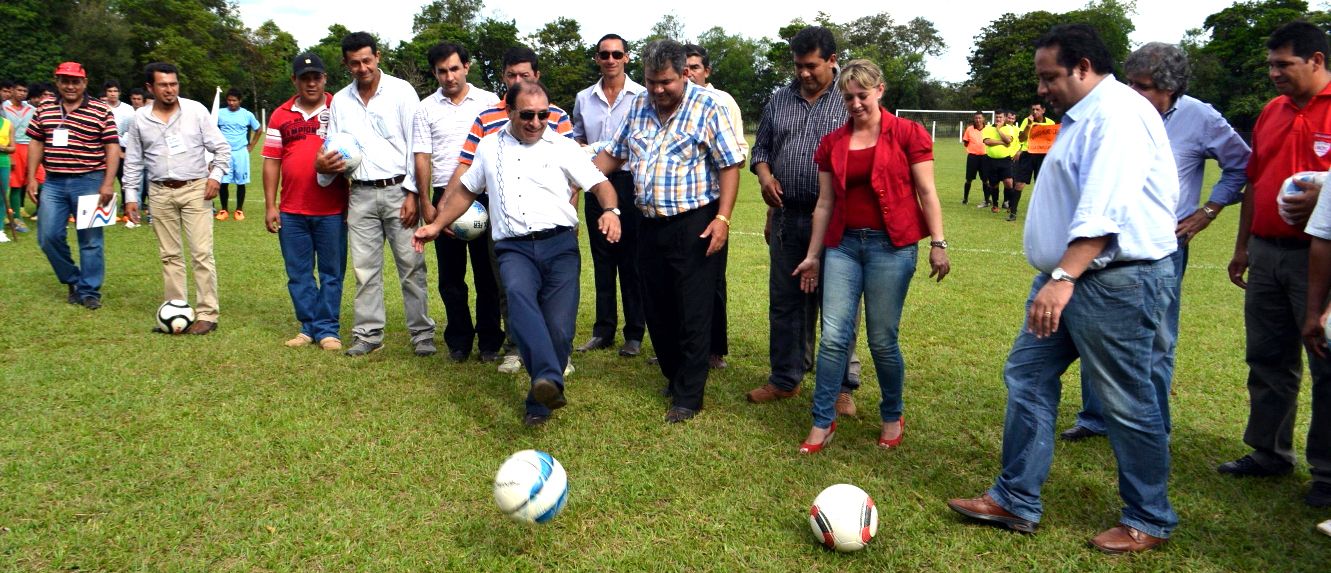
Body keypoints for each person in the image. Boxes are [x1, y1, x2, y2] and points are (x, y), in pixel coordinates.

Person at [947, 24, 1181, 554]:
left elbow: (1105, 211)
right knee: (1027, 376)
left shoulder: (1117, 115)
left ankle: (1149, 517)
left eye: (1049, 76)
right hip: (1072, 278)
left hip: (1110, 282)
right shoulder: (1083, 115)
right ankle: (1015, 497)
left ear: (1083, 67)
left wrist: (1063, 277)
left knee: (1126, 400)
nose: (1041, 88)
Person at [1062, 42, 1251, 442]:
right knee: (1096, 330)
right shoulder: (1112, 109)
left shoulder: (1200, 117)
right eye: (1130, 82)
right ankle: (1096, 418)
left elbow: (1242, 164)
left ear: (1172, 88)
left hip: (1162, 246)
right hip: (1102, 240)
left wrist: (1208, 210)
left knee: (1157, 339)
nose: (1133, 92)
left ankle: (1154, 426)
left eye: (1144, 86)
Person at [415, 81, 621, 427]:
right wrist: (436, 225)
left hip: (560, 247)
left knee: (560, 329)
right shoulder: (489, 146)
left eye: (543, 115)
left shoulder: (564, 146)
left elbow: (601, 185)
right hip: (514, 247)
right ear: (509, 111)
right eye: (527, 115)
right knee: (520, 302)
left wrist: (611, 211)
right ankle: (542, 397)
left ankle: (543, 389)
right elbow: (467, 191)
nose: (536, 123)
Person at [792, 59, 949, 454]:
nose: (856, 103)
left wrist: (938, 243)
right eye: (848, 98)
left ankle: (892, 414)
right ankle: (822, 420)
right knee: (833, 338)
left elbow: (927, 192)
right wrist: (813, 255)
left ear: (880, 90)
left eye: (862, 95)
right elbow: (824, 204)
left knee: (882, 340)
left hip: (891, 248)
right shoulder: (833, 143)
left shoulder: (908, 133)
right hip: (843, 247)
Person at [593, 39, 744, 423]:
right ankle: (675, 376)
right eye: (651, 81)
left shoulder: (708, 107)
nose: (658, 90)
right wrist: (577, 177)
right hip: (647, 222)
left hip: (695, 222)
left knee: (693, 310)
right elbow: (612, 154)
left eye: (666, 82)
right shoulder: (638, 106)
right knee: (657, 308)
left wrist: (723, 219)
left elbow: (729, 165)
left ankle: (689, 396)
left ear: (685, 74)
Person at [1222, 21, 1331, 509]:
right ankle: (1269, 452)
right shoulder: (1272, 110)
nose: (1273, 73)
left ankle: (1327, 473)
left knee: (1326, 362)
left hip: (1322, 256)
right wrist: (1242, 246)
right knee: (1267, 356)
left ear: (1316, 60)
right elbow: (1256, 181)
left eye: (1283, 64)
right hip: (1267, 251)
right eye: (1270, 64)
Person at [748, 26, 862, 413]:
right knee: (785, 302)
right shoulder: (779, 99)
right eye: (798, 65)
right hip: (788, 217)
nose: (804, 73)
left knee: (839, 305)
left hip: (838, 220)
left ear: (832, 60)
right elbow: (761, 149)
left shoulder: (850, 99)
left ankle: (842, 386)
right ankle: (785, 378)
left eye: (811, 65)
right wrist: (765, 178)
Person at [446, 46, 575, 374]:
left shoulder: (556, 116)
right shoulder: (486, 117)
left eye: (524, 74)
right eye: (511, 75)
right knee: (510, 287)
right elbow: (466, 166)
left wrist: (569, 217)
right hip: (504, 217)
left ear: (537, 76)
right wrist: (444, 210)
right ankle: (516, 347)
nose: (517, 80)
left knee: (552, 290)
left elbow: (573, 174)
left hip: (551, 218)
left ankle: (557, 353)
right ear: (502, 77)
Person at [316, 31, 435, 357]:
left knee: (412, 267)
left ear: (378, 56)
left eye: (367, 60)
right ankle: (368, 335)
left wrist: (412, 193)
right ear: (346, 64)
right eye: (355, 63)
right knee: (365, 271)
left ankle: (422, 334)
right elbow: (333, 147)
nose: (362, 68)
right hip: (361, 194)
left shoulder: (401, 91)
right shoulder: (341, 101)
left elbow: (416, 145)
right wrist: (323, 164)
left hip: (399, 191)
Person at [122, 62, 230, 334]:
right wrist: (131, 195)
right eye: (163, 85)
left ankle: (207, 314)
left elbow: (221, 148)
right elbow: (133, 160)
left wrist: (215, 177)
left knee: (201, 253)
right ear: (150, 87)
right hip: (159, 192)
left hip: (196, 189)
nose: (169, 89)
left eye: (173, 84)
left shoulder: (195, 110)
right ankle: (175, 310)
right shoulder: (140, 119)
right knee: (169, 255)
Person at [416, 42, 503, 363]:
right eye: (442, 71)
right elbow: (422, 156)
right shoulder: (425, 108)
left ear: (466, 66)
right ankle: (459, 340)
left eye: (454, 68)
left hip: (483, 195)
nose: (449, 76)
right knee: (451, 278)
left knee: (487, 274)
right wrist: (426, 202)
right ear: (434, 73)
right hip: (443, 198)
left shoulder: (489, 101)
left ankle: (490, 341)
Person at [262, 53, 350, 351]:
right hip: (292, 210)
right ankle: (308, 327)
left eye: (316, 77)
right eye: (305, 78)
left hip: (332, 209)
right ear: (295, 80)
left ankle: (327, 329)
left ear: (325, 78)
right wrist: (270, 205)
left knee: (331, 273)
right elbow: (272, 161)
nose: (311, 83)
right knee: (298, 273)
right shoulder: (280, 114)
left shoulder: (339, 108)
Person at [571, 33, 647, 358]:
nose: (611, 59)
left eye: (617, 54)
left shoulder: (641, 96)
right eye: (605, 54)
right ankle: (603, 331)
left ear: (627, 57)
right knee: (602, 260)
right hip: (595, 181)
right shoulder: (583, 98)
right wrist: (584, 152)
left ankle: (635, 333)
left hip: (630, 183)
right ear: (597, 58)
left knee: (631, 260)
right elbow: (575, 137)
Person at [24, 62, 121, 309]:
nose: (70, 86)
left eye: (75, 81)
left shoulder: (100, 110)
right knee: (48, 237)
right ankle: (73, 279)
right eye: (65, 81)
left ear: (84, 83)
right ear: (57, 82)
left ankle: (89, 291)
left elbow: (112, 146)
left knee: (90, 240)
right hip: (53, 182)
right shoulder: (44, 108)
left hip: (89, 180)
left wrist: (108, 183)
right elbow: (36, 142)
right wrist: (32, 177)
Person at [684, 43, 747, 370]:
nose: (689, 73)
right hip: (678, 205)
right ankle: (682, 345)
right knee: (677, 279)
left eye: (695, 67)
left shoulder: (722, 102)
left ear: (706, 71)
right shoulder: (671, 103)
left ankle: (714, 348)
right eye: (683, 68)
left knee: (711, 279)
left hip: (710, 203)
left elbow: (739, 150)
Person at [215, 88, 261, 221]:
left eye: (234, 100)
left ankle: (239, 210)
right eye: (229, 100)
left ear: (240, 101)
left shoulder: (247, 114)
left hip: (241, 152)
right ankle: (224, 210)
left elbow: (258, 130)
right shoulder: (219, 113)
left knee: (241, 181)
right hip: (224, 152)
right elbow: (211, 128)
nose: (231, 103)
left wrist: (251, 145)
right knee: (223, 181)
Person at [1009, 103, 1054, 222]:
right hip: (1028, 154)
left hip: (1043, 156)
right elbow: (1021, 138)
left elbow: (1053, 140)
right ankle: (1013, 212)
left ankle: (1041, 214)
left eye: (1037, 109)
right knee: (1019, 183)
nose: (1034, 111)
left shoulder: (1050, 123)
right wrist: (1029, 125)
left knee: (1040, 185)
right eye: (1033, 109)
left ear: (1043, 110)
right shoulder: (1026, 121)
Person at [6, 81, 42, 223]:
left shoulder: (31, 109)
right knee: (16, 185)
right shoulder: (3, 108)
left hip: (30, 146)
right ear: (12, 91)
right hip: (14, 147)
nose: (22, 93)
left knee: (42, 179)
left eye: (24, 91)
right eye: (19, 90)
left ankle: (43, 212)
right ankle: (16, 218)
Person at [104, 79, 138, 228]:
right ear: (106, 93)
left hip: (124, 149)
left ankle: (126, 210)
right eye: (109, 91)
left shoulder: (128, 109)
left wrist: (125, 150)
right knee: (107, 181)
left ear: (119, 93)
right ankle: (107, 210)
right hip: (105, 150)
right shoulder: (101, 108)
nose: (112, 94)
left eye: (115, 91)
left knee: (125, 180)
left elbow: (133, 131)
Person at [979, 110, 1014, 213]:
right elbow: (987, 141)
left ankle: (1009, 204)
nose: (998, 119)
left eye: (1000, 117)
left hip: (1005, 160)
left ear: (1005, 118)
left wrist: (998, 129)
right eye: (997, 117)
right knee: (994, 184)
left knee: (1009, 182)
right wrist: (1002, 142)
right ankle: (995, 205)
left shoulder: (1008, 128)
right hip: (991, 160)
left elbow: (1008, 140)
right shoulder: (988, 128)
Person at [961, 111, 987, 205]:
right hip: (972, 157)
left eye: (980, 118)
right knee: (969, 179)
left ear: (983, 119)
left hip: (985, 157)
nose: (978, 120)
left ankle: (987, 199)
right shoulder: (969, 129)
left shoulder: (988, 129)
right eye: (976, 118)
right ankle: (965, 199)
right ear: (974, 119)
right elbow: (966, 142)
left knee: (985, 179)